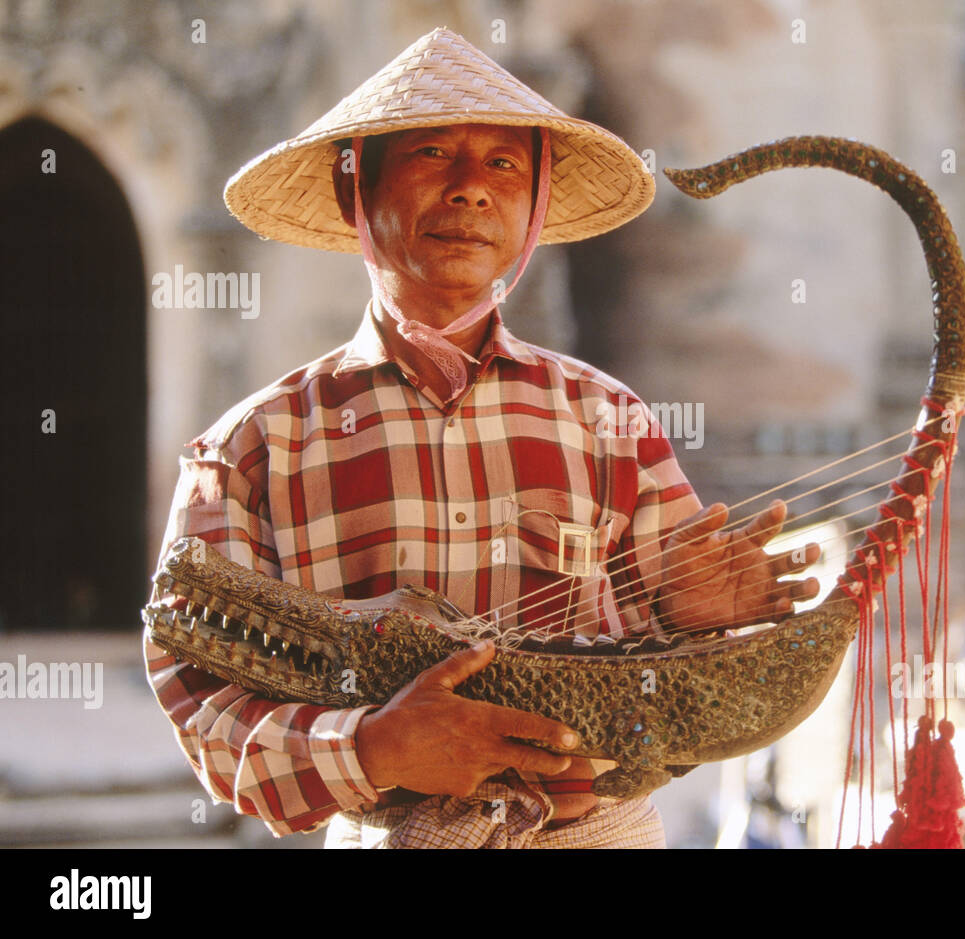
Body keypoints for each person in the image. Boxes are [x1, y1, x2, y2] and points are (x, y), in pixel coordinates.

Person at [145, 27, 820, 848]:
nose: (471, 190)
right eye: (433, 153)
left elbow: (670, 698)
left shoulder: (610, 419)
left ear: (533, 209)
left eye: (504, 165)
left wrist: (693, 621)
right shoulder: (254, 446)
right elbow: (200, 697)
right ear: (358, 186)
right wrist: (377, 748)